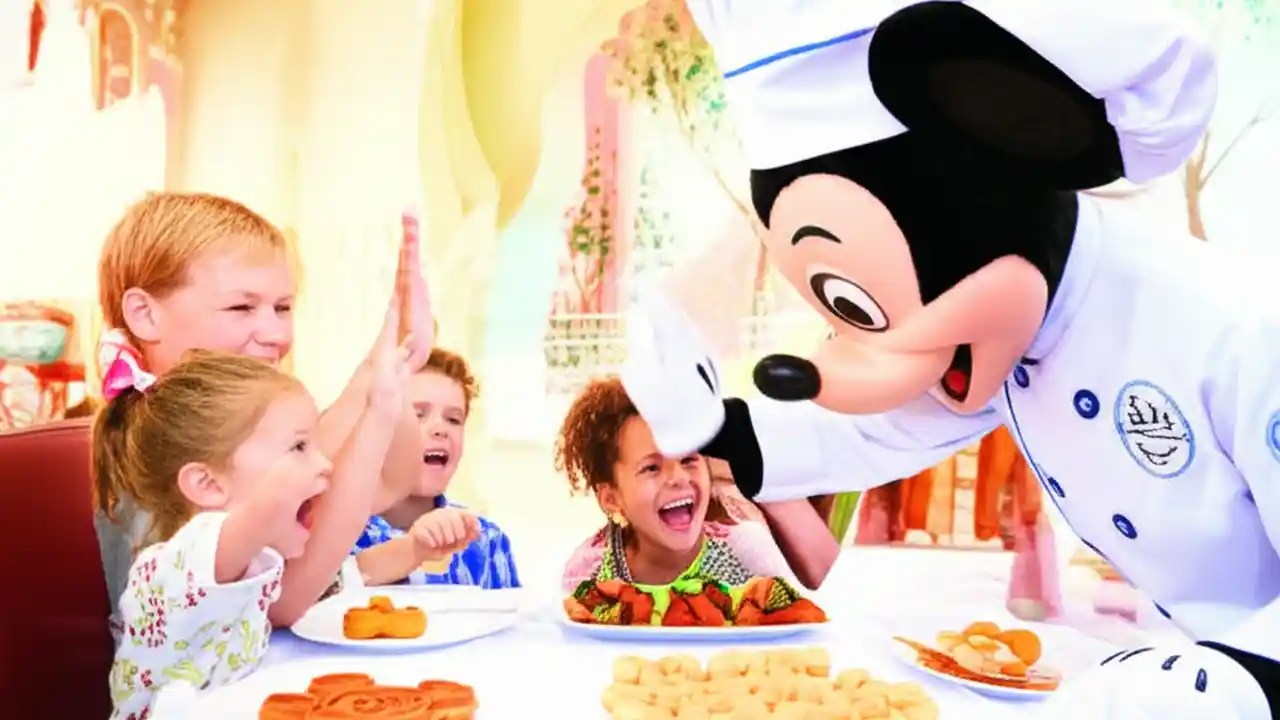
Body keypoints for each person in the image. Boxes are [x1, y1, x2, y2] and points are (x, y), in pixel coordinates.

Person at [620, 1, 1278, 717]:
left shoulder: (1240, 331)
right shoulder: (1018, 333)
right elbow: (877, 426)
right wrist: (715, 428)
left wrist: (1232, 682)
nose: (886, 353)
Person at [94, 192, 431, 625]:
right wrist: (379, 393)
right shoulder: (156, 446)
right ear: (144, 313)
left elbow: (385, 478)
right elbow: (282, 601)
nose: (274, 333)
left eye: (283, 307)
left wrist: (391, 358)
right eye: (242, 307)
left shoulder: (245, 431)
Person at [92, 345, 405, 718]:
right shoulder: (175, 566)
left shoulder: (253, 563)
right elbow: (257, 515)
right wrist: (282, 489)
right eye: (299, 446)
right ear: (208, 484)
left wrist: (382, 412)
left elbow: (348, 514)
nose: (323, 463)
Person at [557, 376, 811, 598]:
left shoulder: (746, 554)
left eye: (689, 460)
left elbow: (791, 624)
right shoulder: (590, 574)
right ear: (611, 498)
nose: (678, 477)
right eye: (651, 468)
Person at [351, 348, 521, 589]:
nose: (441, 429)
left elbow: (514, 622)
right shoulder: (339, 539)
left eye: (454, 419)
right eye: (418, 414)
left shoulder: (488, 541)